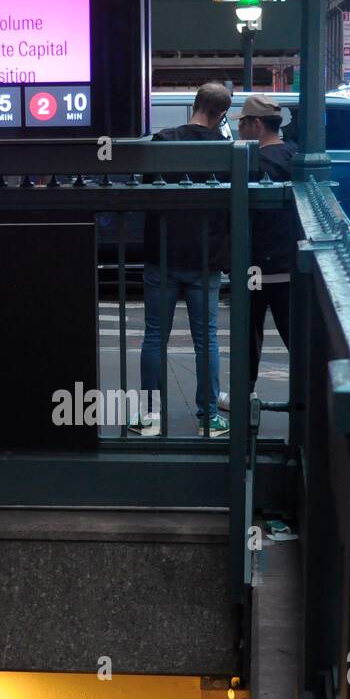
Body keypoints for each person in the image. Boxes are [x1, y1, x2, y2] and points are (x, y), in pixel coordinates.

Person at [131, 82, 231, 438]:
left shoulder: (164, 141)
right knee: (206, 339)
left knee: (155, 336)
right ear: (221, 114)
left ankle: (150, 418)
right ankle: (208, 418)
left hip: (163, 251)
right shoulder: (225, 149)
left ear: (195, 104)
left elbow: (145, 189)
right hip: (206, 256)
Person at [224, 94, 293, 404]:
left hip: (257, 262)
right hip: (289, 261)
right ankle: (308, 396)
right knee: (295, 336)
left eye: (242, 122)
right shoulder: (295, 155)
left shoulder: (255, 162)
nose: (239, 127)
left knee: (247, 336)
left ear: (256, 124)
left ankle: (243, 394)